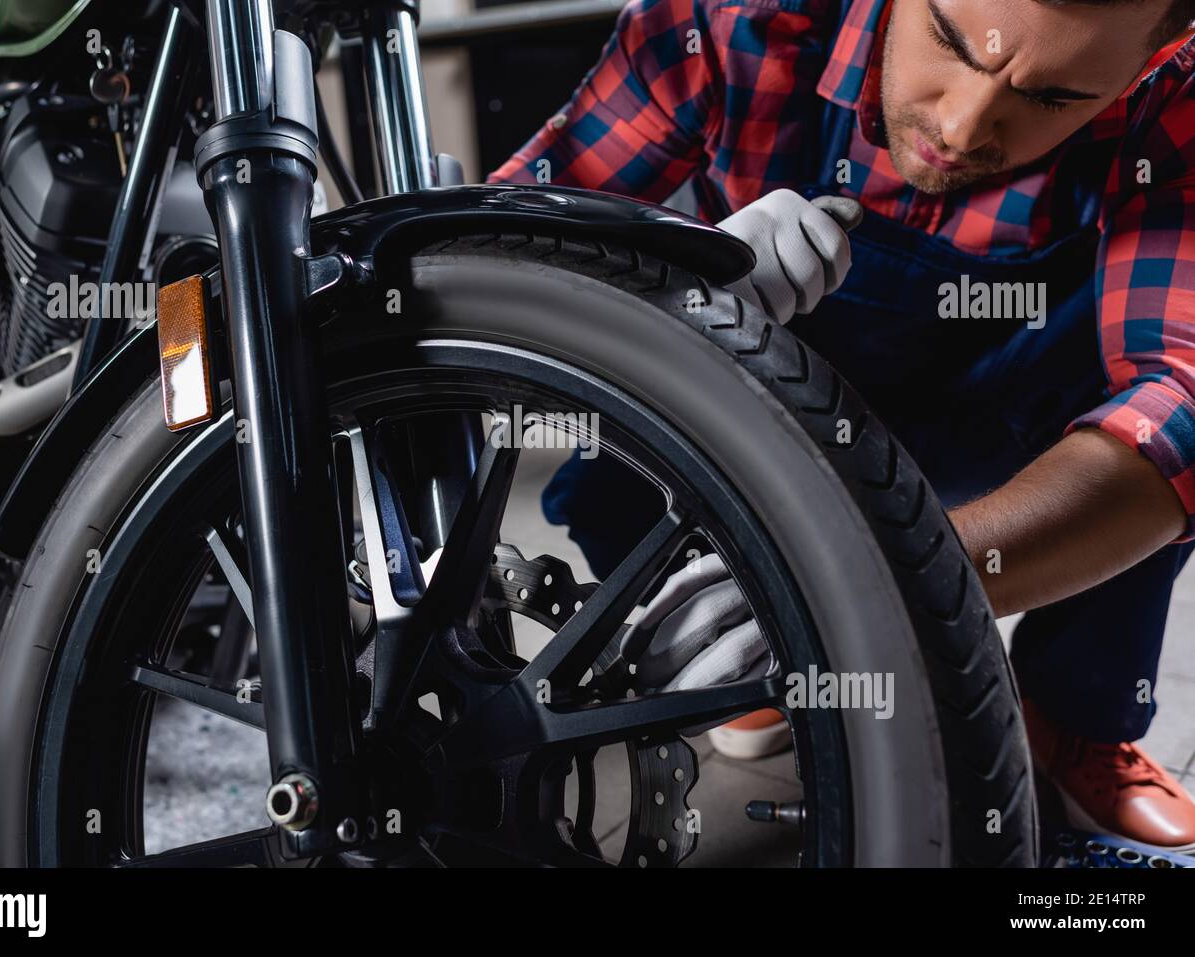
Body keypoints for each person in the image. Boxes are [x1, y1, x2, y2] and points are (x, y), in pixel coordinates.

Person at [490, 0, 1195, 850]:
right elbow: (493, 255)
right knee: (614, 469)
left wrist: (897, 579)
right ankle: (748, 663)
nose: (961, 125)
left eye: (1052, 97)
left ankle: (1078, 717)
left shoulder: (1178, 97)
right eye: (948, 39)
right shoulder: (723, 24)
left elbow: (1181, 396)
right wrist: (674, 288)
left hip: (1006, 425)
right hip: (776, 427)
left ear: (1162, 49)